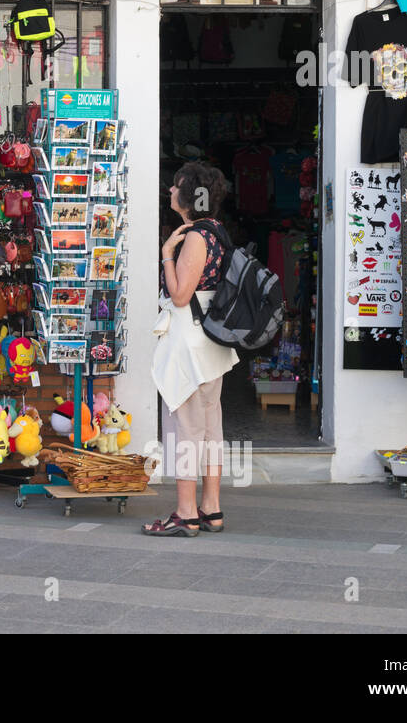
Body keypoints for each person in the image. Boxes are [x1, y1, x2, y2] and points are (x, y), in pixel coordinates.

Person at [143, 161, 237, 537]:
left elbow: (180, 295)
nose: (170, 191)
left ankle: (185, 512)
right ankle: (211, 509)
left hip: (188, 343)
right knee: (210, 427)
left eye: (175, 186)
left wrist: (167, 252)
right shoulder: (218, 231)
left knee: (185, 428)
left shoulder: (196, 237)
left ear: (189, 195)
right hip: (211, 344)